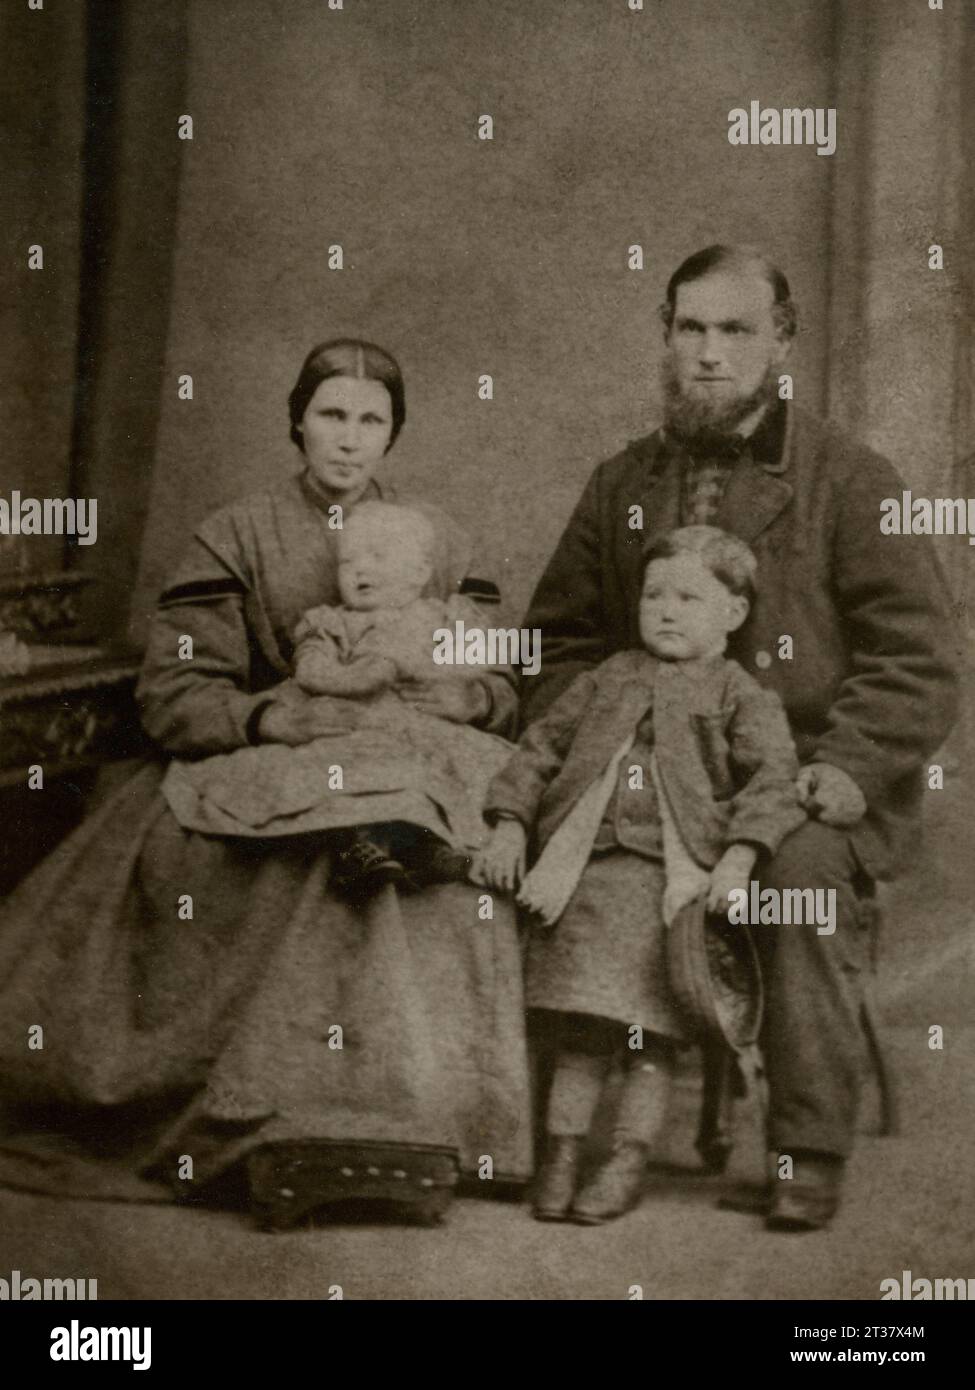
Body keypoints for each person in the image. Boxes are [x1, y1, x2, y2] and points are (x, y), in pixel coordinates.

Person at [0, 338, 532, 1225]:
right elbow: (170, 691)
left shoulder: (436, 541)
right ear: (297, 421)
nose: (349, 440)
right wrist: (267, 717)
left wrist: (471, 692)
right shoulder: (234, 532)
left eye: (372, 421)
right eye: (332, 415)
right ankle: (270, 1111)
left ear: (393, 435)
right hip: (259, 760)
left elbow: (502, 681)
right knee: (285, 868)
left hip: (406, 755)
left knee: (436, 856)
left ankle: (416, 1124)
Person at [519, 246, 961, 1231]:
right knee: (538, 859)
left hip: (799, 775)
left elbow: (919, 662)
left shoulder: (850, 479)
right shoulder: (621, 483)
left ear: (782, 342)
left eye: (736, 331)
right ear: (667, 337)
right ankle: (530, 1135)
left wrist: (843, 768)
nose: (710, 354)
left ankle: (806, 1146)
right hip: (644, 774)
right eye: (691, 329)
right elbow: (557, 645)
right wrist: (602, 754)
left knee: (795, 869)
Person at [474, 525, 804, 1224]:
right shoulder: (605, 678)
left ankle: (626, 1159)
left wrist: (740, 857)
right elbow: (538, 750)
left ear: (734, 614)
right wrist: (508, 821)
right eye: (654, 593)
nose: (665, 609)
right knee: (585, 1034)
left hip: (672, 893)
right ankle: (562, 1153)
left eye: (689, 596)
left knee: (649, 1042)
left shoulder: (740, 694)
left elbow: (772, 778)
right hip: (583, 881)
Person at [162, 499, 513, 899]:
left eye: (378, 556)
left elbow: (487, 660)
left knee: (453, 774)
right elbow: (310, 669)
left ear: (419, 573)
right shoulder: (333, 623)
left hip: (424, 725)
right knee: (353, 774)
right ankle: (364, 849)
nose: (360, 569)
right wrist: (356, 679)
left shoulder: (447, 617)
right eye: (348, 562)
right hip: (354, 723)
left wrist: (466, 691)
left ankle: (430, 848)